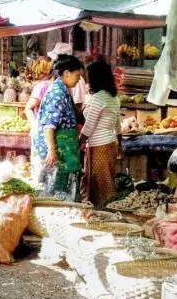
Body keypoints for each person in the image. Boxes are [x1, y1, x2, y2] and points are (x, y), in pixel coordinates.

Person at [33, 56, 84, 201]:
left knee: (62, 190)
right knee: (56, 193)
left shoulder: (63, 91)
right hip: (59, 151)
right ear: (67, 73)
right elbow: (49, 126)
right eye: (77, 75)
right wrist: (52, 150)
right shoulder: (57, 93)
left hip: (65, 148)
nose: (79, 79)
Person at [81, 58, 120, 207]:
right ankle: (108, 211)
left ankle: (105, 213)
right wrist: (120, 144)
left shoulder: (98, 98)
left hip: (99, 146)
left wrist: (79, 141)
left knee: (100, 183)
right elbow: (117, 124)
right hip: (110, 144)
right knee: (107, 181)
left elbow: (89, 126)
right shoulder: (113, 97)